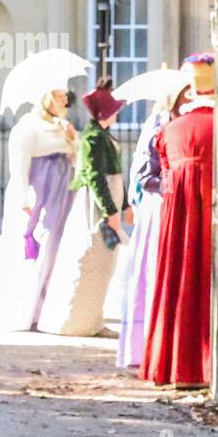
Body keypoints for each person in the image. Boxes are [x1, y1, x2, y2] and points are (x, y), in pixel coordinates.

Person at [141, 53, 215, 388]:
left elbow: (163, 173)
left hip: (177, 216)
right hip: (205, 210)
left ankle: (173, 366)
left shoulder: (170, 129)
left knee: (177, 278)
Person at [37, 78, 127, 336]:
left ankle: (92, 319)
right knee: (89, 258)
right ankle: (75, 321)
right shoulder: (93, 138)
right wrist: (110, 211)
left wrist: (125, 204)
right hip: (95, 207)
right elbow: (94, 176)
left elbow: (116, 173)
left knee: (103, 263)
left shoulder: (103, 136)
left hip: (108, 201)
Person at [0, 88, 77, 331]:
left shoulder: (64, 126)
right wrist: (24, 197)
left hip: (63, 193)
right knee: (36, 248)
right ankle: (27, 310)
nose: (65, 99)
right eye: (59, 94)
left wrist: (73, 139)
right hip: (40, 194)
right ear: (45, 97)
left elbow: (78, 158)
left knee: (56, 249)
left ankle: (46, 311)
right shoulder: (27, 127)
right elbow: (19, 165)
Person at [116, 90, 179, 369]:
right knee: (151, 274)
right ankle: (143, 348)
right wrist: (171, 184)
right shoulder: (157, 124)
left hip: (179, 206)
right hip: (158, 208)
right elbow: (144, 174)